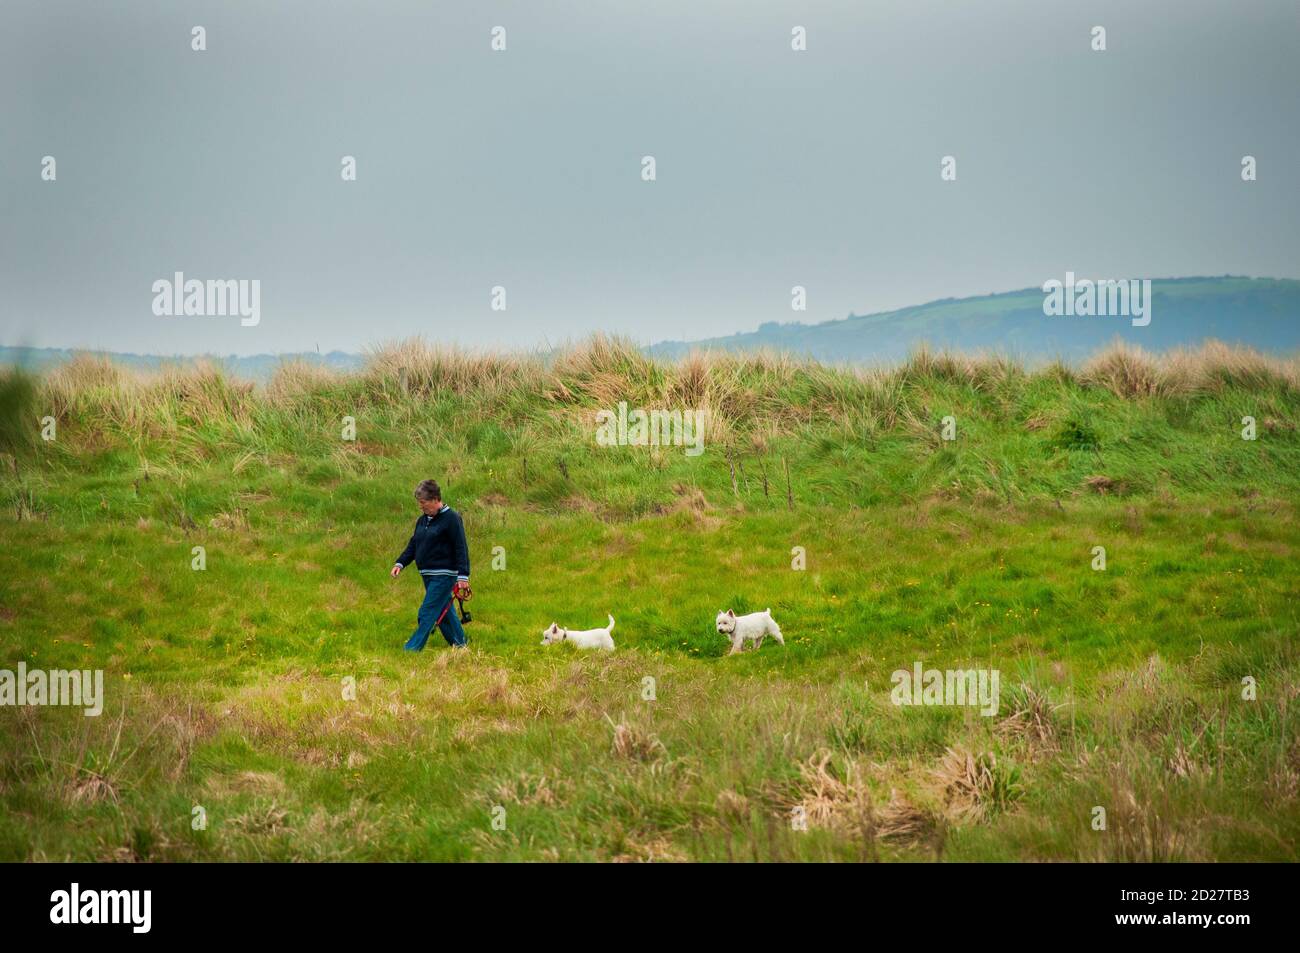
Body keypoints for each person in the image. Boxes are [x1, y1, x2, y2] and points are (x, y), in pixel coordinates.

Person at [390, 479, 470, 650]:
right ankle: (461, 644)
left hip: (444, 575)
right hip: (427, 575)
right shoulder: (422, 520)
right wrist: (400, 563)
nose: (421, 506)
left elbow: (461, 547)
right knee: (444, 612)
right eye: (419, 503)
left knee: (427, 612)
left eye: (423, 502)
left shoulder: (452, 518)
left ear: (435, 499)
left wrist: (463, 575)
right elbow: (414, 544)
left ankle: (411, 649)